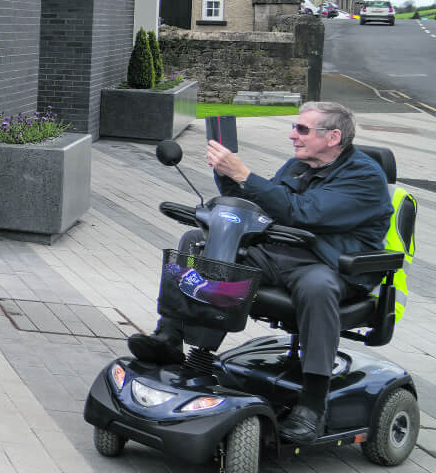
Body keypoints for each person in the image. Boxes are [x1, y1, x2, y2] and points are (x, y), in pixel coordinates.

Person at [126, 102, 392, 442]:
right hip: (279, 254)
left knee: (316, 288)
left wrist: (244, 174)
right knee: (197, 242)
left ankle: (313, 403)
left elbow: (302, 213)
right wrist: (226, 172)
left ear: (333, 137)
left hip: (329, 264)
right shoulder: (298, 165)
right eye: (295, 128)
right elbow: (265, 204)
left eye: (302, 130)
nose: (292, 135)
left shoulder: (365, 177)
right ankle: (170, 337)